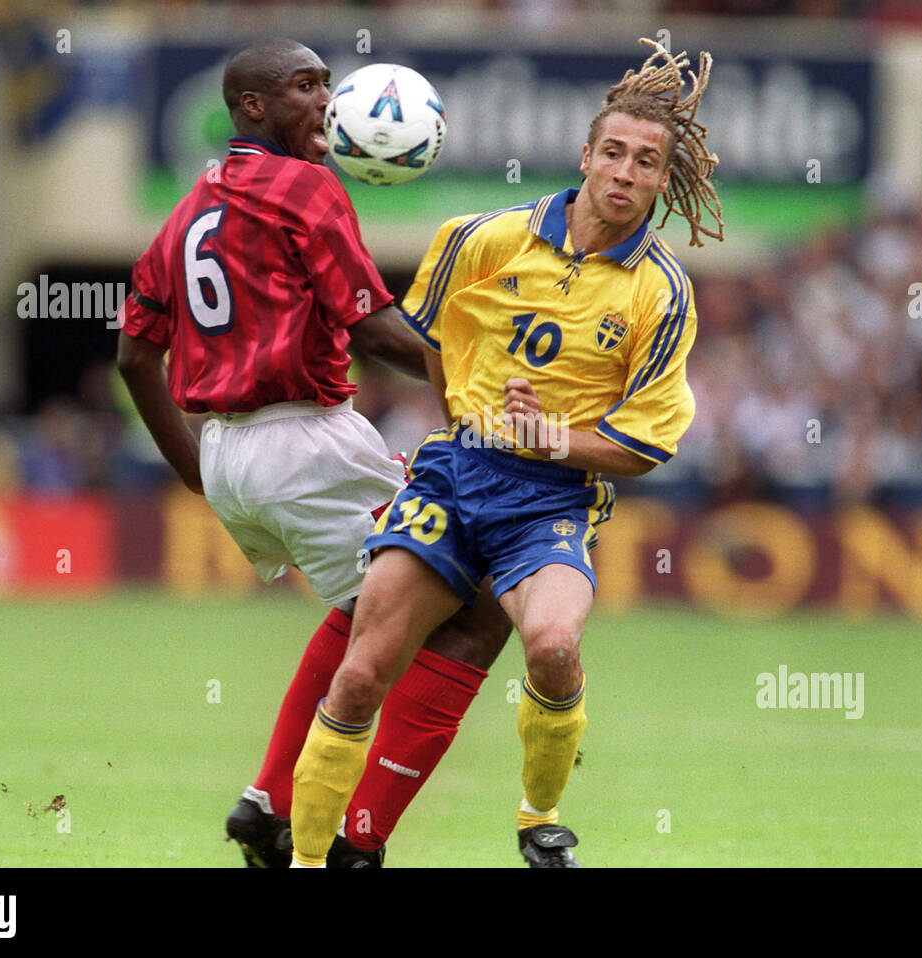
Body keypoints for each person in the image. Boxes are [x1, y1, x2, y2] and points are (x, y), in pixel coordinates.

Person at [288, 38, 724, 868]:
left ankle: (539, 816)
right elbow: (427, 338)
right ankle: (311, 862)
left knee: (555, 648)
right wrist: (469, 416)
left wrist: (546, 436)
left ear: (665, 180)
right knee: (359, 675)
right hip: (453, 478)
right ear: (586, 156)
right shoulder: (482, 238)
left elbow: (646, 443)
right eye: (615, 154)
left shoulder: (662, 291)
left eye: (647, 162)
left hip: (552, 499)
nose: (627, 173)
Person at [116, 37, 510, 868]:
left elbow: (133, 355)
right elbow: (371, 325)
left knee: (372, 604)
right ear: (252, 107)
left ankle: (269, 803)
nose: (326, 98)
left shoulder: (190, 207)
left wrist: (196, 469)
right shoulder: (304, 186)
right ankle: (353, 844)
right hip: (306, 440)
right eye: (304, 85)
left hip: (229, 454)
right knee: (478, 608)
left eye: (328, 82)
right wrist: (474, 380)